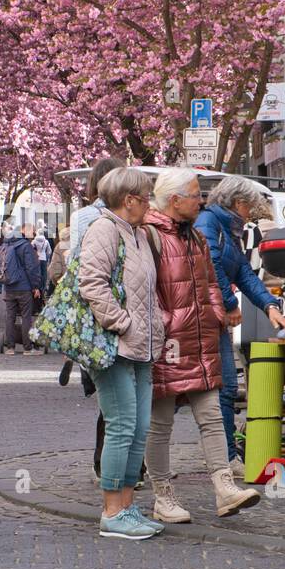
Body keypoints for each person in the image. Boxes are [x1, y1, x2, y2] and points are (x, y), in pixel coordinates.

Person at [143, 168, 261, 523]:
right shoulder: (149, 237)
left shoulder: (194, 236)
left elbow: (211, 281)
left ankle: (225, 489)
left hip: (200, 340)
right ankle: (162, 497)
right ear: (175, 200)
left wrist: (213, 315)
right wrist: (163, 325)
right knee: (160, 422)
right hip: (167, 345)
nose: (202, 201)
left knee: (211, 416)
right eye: (195, 195)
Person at [78, 167, 163, 539]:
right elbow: (91, 282)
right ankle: (112, 511)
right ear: (129, 200)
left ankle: (127, 506)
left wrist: (152, 327)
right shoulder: (105, 229)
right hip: (113, 346)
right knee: (122, 425)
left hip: (142, 347)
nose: (151, 204)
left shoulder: (141, 234)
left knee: (140, 428)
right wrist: (121, 322)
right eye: (147, 197)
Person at [195, 176, 285, 477]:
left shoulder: (227, 228)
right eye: (250, 207)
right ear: (239, 204)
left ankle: (225, 457)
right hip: (203, 318)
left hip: (212, 318)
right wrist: (230, 304)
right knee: (213, 389)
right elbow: (210, 266)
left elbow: (244, 273)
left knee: (226, 388)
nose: (251, 214)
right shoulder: (210, 223)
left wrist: (269, 305)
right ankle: (223, 458)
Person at [0, 223, 43, 354]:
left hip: (9, 286)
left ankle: (10, 347)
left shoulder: (4, 245)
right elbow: (31, 268)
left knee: (10, 316)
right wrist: (36, 286)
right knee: (26, 316)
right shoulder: (25, 246)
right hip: (24, 287)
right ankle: (27, 348)